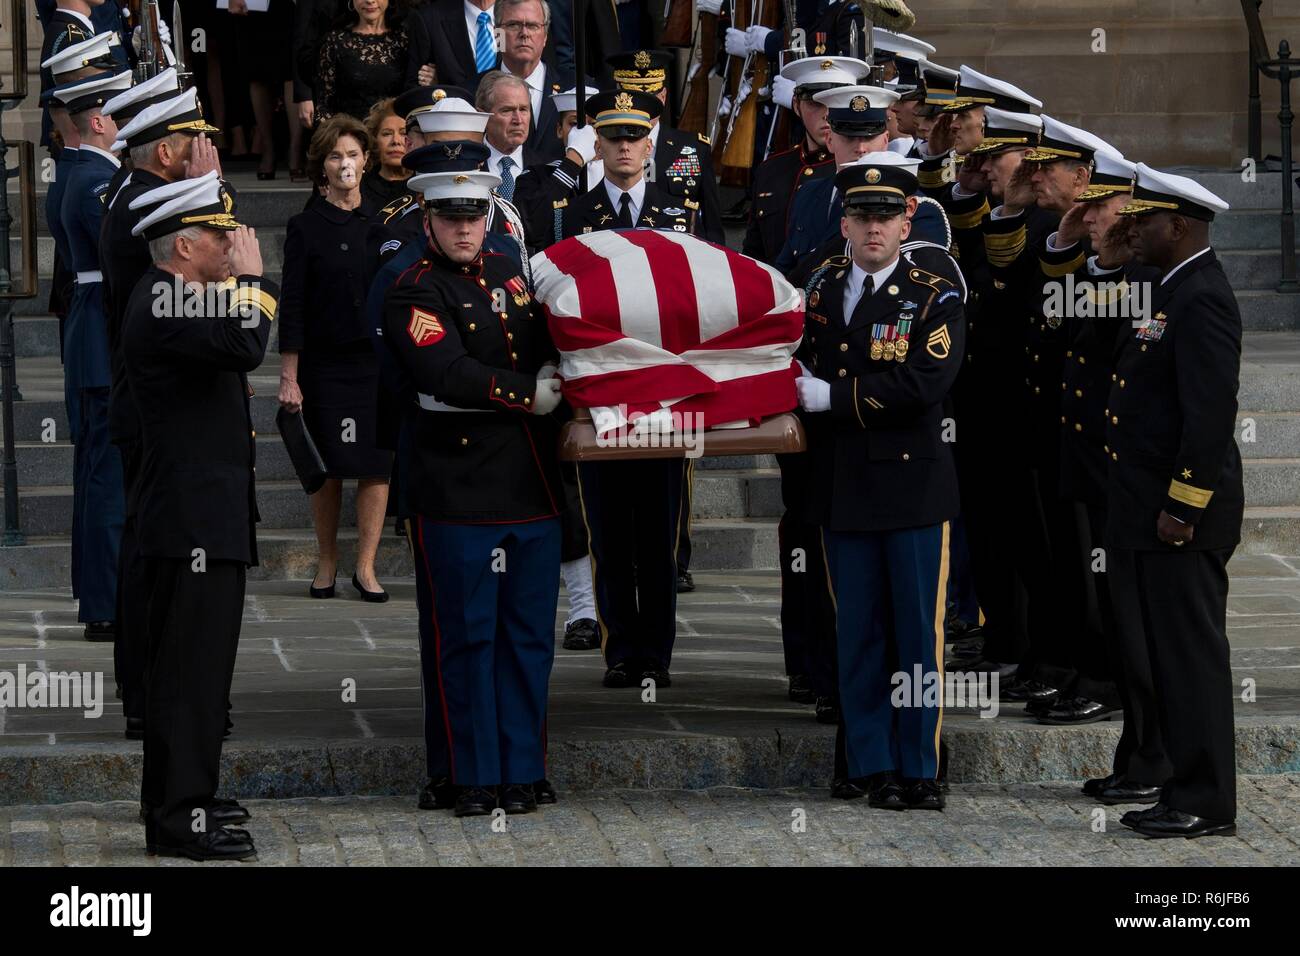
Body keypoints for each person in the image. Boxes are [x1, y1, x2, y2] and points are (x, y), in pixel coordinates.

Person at [381, 154, 565, 818]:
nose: (465, 229)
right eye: (451, 218)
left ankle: (522, 770)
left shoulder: (512, 273)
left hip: (530, 484)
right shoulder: (412, 288)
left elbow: (550, 336)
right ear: (427, 220)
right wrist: (528, 393)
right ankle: (470, 774)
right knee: (465, 638)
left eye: (474, 217)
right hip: (458, 490)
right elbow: (444, 372)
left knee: (526, 640)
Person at [795, 155, 965, 811]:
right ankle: (869, 763)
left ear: (908, 221)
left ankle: (920, 765)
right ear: (844, 221)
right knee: (858, 633)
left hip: (911, 489)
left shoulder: (933, 293)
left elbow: (924, 384)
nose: (874, 228)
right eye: (862, 216)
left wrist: (830, 399)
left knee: (917, 636)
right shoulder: (818, 288)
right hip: (843, 488)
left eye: (886, 216)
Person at [122, 171, 274, 860]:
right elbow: (246, 345)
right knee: (190, 670)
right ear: (184, 246)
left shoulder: (175, 298)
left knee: (196, 669)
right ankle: (179, 815)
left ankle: (182, 796)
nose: (231, 243)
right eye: (218, 235)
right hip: (191, 522)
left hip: (200, 515)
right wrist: (256, 282)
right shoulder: (162, 303)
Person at [1107, 166, 1242, 839]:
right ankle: (1180, 786)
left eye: (1146, 220)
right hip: (1150, 510)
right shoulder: (1169, 289)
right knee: (1170, 659)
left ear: (1179, 227)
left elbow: (1211, 416)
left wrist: (1184, 506)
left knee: (1193, 661)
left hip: (1182, 518)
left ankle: (1207, 800)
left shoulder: (1201, 297)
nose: (1134, 229)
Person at [549, 89, 699, 689]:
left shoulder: (680, 208)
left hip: (669, 391)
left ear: (649, 142)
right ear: (598, 145)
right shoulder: (572, 215)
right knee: (608, 525)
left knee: (660, 529)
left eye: (635, 137)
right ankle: (619, 648)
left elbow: (705, 295)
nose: (625, 147)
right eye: (613, 138)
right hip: (601, 392)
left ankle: (655, 653)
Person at [100, 81, 222, 740]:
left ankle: (145, 690)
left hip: (140, 396)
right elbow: (212, 261)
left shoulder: (130, 188)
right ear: (171, 149)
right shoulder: (152, 203)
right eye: (195, 145)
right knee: (160, 551)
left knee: (149, 546)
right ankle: (152, 694)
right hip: (157, 403)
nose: (203, 154)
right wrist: (214, 192)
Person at [279, 116, 394, 602]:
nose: (344, 164)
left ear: (366, 161)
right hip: (324, 365)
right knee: (324, 465)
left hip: (376, 363)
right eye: (334, 156)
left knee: (375, 465)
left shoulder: (386, 220)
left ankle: (365, 568)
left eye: (351, 154)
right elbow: (293, 302)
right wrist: (290, 376)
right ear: (321, 166)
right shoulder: (305, 226)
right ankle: (326, 562)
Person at [55, 66, 133, 651]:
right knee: (106, 475)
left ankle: (96, 593)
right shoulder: (95, 183)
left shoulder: (78, 172)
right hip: (102, 333)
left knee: (95, 471)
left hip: (89, 329)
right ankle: (106, 601)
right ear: (100, 121)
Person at [774, 79, 892, 275]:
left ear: (886, 141)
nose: (861, 148)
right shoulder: (808, 193)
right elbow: (785, 268)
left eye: (870, 137)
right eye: (849, 137)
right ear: (830, 141)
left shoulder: (906, 201)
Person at [607, 49, 725, 244]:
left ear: (662, 97)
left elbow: (712, 227)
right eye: (635, 100)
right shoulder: (606, 146)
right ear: (620, 99)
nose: (644, 109)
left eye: (651, 100)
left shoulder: (694, 148)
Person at [741, 55, 846, 266]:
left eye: (835, 102)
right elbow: (754, 252)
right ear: (797, 105)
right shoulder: (771, 170)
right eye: (815, 103)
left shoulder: (855, 169)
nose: (826, 114)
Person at [228, 0, 303, 179]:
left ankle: (296, 150)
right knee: (257, 74)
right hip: (254, 7)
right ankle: (268, 150)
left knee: (293, 70)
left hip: (294, 7)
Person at [315, 0, 409, 126]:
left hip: (396, 136)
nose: (370, 1)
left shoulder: (405, 38)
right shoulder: (335, 41)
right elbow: (324, 105)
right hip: (351, 137)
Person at [496, 0, 564, 162]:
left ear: (545, 36)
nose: (524, 33)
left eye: (533, 26)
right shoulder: (473, 91)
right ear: (497, 36)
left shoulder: (577, 89)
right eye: (513, 24)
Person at [476, 71, 549, 200]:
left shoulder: (547, 169)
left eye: (523, 109)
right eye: (507, 110)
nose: (518, 120)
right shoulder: (467, 168)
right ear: (482, 117)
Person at [406, 0, 499, 94]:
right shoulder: (430, 19)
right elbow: (415, 88)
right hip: (452, 107)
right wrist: (438, 91)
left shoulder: (510, 14)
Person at [361, 97, 412, 209]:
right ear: (374, 140)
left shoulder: (425, 187)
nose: (396, 141)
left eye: (403, 133)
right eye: (387, 134)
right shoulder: (359, 187)